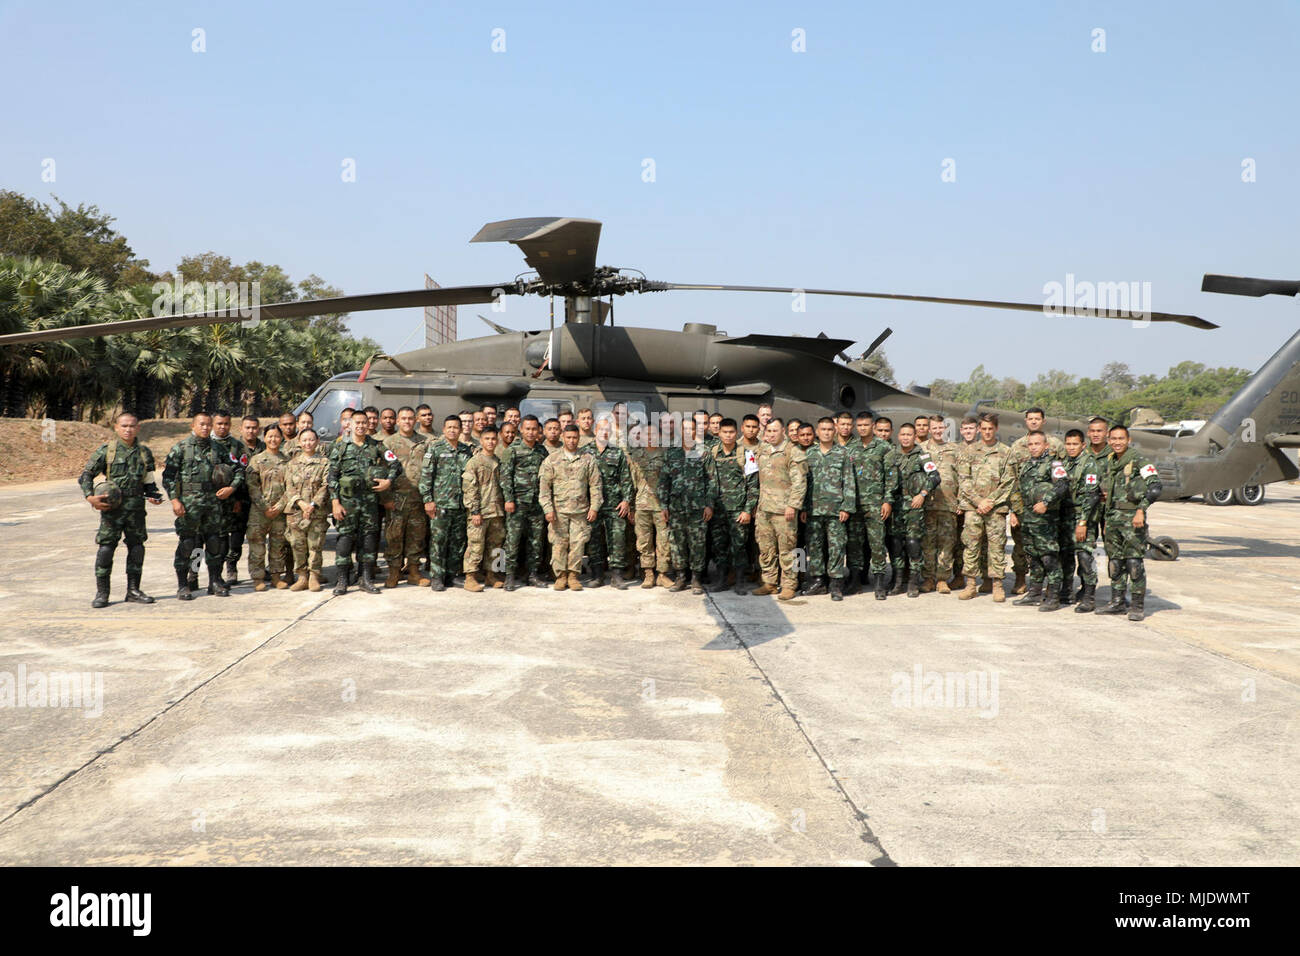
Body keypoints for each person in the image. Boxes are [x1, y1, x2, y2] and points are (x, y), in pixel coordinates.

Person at [79, 412, 163, 607]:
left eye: (132, 426)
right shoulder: (107, 451)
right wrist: (90, 497)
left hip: (136, 510)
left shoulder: (144, 452)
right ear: (116, 427)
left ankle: (133, 590)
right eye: (124, 426)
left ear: (138, 428)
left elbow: (149, 481)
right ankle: (102, 593)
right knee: (106, 548)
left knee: (137, 548)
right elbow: (85, 476)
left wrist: (154, 496)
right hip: (112, 510)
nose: (128, 429)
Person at [161, 412, 233, 600]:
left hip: (212, 503)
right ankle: (183, 584)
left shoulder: (219, 449)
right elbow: (168, 476)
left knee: (214, 543)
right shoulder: (181, 448)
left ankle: (215, 582)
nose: (205, 428)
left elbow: (237, 470)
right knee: (187, 544)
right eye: (201, 424)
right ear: (192, 426)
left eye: (208, 425)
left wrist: (231, 488)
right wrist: (175, 500)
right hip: (189, 504)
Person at [328, 412, 399, 595]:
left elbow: (395, 464)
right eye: (357, 422)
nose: (360, 426)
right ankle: (342, 580)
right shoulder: (340, 448)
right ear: (349, 425)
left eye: (364, 422)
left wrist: (388, 481)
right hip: (347, 503)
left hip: (369, 503)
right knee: (344, 539)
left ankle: (365, 579)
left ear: (369, 424)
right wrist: (335, 503)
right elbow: (332, 477)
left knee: (368, 540)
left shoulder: (377, 446)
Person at [1097, 425, 1162, 621]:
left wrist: (1141, 510)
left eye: (1121, 439)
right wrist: (1108, 518)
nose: (1117, 442)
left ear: (1129, 440)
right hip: (1114, 518)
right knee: (1115, 563)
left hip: (1133, 518)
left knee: (1134, 562)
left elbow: (1155, 486)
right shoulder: (1111, 461)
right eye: (1113, 439)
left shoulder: (1139, 460)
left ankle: (1137, 605)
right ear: (1109, 441)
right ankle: (1117, 602)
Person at [1008, 407, 1068, 594]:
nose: (1033, 447)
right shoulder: (1025, 461)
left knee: (1049, 555)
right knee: (1032, 554)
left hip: (1048, 516)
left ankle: (1053, 592)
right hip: (1027, 516)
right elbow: (1015, 484)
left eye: (1037, 418)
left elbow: (1063, 482)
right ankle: (1034, 591)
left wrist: (1047, 502)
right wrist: (1014, 511)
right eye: (1031, 444)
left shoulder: (1055, 456)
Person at [956, 414, 1015, 602]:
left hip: (995, 508)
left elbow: (1008, 481)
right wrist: (977, 501)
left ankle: (997, 585)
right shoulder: (969, 451)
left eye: (991, 429)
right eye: (984, 429)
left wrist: (990, 501)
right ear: (979, 429)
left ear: (996, 429)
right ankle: (971, 584)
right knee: (971, 546)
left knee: (996, 547)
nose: (987, 432)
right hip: (973, 508)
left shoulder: (1006, 452)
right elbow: (963, 480)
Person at [539, 424, 603, 591]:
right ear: (563, 437)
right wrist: (548, 509)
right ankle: (560, 576)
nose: (572, 441)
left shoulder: (588, 459)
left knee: (577, 544)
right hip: (558, 512)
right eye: (568, 437)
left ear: (578, 438)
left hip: (580, 511)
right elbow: (545, 488)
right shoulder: (552, 460)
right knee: (559, 544)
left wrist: (594, 507)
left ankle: (573, 575)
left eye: (575, 437)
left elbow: (595, 486)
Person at [659, 419, 719, 594]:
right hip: (676, 508)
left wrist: (709, 505)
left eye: (691, 429)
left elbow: (712, 481)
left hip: (697, 509)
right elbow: (664, 481)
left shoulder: (704, 452)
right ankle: (680, 578)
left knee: (698, 544)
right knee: (677, 544)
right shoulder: (671, 453)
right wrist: (664, 505)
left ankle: (696, 579)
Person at [801, 417, 855, 600]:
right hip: (813, 510)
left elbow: (848, 482)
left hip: (835, 510)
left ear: (835, 431)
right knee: (814, 546)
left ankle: (835, 583)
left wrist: (847, 506)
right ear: (817, 431)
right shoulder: (809, 454)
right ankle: (817, 581)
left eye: (829, 429)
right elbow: (804, 484)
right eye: (823, 429)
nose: (826, 432)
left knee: (836, 547)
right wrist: (803, 508)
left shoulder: (843, 453)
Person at [753, 418, 807, 601]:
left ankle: (789, 585)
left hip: (785, 510)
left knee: (788, 549)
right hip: (764, 509)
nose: (771, 434)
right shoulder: (762, 450)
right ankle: (769, 582)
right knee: (766, 548)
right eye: (768, 431)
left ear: (783, 431)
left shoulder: (793, 452)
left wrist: (793, 505)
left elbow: (800, 482)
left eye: (775, 431)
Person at [419, 416, 472, 591]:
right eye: (449, 427)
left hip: (460, 504)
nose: (452, 430)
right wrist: (428, 500)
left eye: (456, 427)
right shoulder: (433, 449)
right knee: (438, 542)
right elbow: (426, 475)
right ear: (443, 429)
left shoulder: (466, 450)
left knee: (457, 542)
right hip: (440, 503)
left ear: (460, 430)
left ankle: (451, 575)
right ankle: (437, 576)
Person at [709, 417, 758, 594]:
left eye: (731, 432)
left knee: (739, 547)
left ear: (736, 433)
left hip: (738, 511)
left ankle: (739, 582)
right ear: (719, 433)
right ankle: (722, 580)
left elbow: (753, 485)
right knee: (719, 546)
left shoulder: (747, 454)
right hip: (717, 510)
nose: (728, 435)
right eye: (725, 432)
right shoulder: (712, 453)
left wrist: (747, 510)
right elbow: (707, 481)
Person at [891, 422, 941, 597]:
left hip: (914, 506)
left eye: (909, 435)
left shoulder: (922, 456)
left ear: (914, 437)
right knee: (896, 545)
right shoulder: (892, 454)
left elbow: (935, 477)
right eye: (903, 434)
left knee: (913, 544)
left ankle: (913, 582)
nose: (905, 438)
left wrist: (923, 493)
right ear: (898, 436)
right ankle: (898, 582)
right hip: (896, 507)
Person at [382, 407, 430, 587]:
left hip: (417, 499)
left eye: (410, 418)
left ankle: (414, 571)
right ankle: (393, 572)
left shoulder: (424, 443)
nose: (407, 422)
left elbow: (429, 470)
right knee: (394, 537)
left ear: (416, 420)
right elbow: (383, 472)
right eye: (403, 418)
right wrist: (385, 498)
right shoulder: (389, 443)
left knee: (416, 536)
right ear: (397, 421)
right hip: (396, 500)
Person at [500, 415, 550, 590]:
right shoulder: (512, 450)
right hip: (518, 503)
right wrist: (509, 499)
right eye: (527, 429)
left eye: (534, 429)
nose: (530, 432)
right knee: (512, 541)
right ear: (521, 430)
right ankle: (509, 576)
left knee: (536, 541)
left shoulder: (542, 451)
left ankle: (533, 574)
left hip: (537, 504)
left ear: (538, 431)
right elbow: (505, 477)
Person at [585, 418, 634, 588]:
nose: (604, 432)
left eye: (607, 429)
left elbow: (626, 479)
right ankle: (597, 575)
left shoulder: (617, 452)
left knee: (617, 539)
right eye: (601, 429)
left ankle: (617, 575)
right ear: (595, 430)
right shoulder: (584, 452)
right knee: (594, 539)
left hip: (614, 504)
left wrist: (627, 500)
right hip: (593, 506)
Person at [854, 417, 897, 600]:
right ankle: (855, 580)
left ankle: (879, 582)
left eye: (866, 425)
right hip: (854, 504)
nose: (863, 428)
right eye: (860, 425)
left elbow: (891, 475)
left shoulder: (884, 447)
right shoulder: (851, 447)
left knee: (877, 543)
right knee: (855, 544)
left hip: (876, 503)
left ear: (872, 426)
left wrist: (887, 500)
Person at [283, 428, 330, 591]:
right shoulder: (292, 464)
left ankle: (314, 577)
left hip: (317, 512)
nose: (308, 443)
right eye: (304, 440)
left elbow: (326, 485)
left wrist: (312, 505)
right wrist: (301, 503)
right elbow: (288, 486)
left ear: (317, 442)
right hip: (296, 511)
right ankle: (302, 576)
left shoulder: (325, 463)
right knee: (297, 544)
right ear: (299, 443)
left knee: (315, 545)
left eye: (311, 440)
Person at [1062, 429, 1104, 612]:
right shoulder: (1064, 464)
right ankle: (1066, 590)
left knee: (1085, 556)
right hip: (1066, 517)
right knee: (1066, 556)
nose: (1071, 448)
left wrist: (1083, 522)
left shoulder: (1090, 465)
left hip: (1082, 517)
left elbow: (1091, 495)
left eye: (1075, 444)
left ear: (1083, 445)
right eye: (1068, 444)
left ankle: (1089, 596)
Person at [245, 424, 291, 591]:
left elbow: (291, 487)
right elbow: (252, 486)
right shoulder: (256, 460)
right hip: (259, 511)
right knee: (257, 544)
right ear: (264, 438)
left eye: (277, 436)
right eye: (270, 436)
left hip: (280, 511)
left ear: (281, 438)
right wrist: (265, 507)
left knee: (278, 545)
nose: (273, 439)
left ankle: (276, 576)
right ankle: (257, 578)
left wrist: (279, 506)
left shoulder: (287, 460)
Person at [628, 419, 673, 588]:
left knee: (664, 541)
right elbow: (630, 482)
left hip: (661, 507)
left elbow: (670, 482)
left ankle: (662, 574)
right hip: (641, 505)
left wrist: (668, 505)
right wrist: (631, 506)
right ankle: (648, 573)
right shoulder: (635, 456)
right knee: (644, 541)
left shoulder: (665, 454)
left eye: (653, 434)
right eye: (646, 434)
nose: (649, 437)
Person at [461, 427, 507, 591]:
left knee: (496, 545)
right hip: (480, 512)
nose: (491, 442)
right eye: (487, 439)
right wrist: (474, 511)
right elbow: (470, 489)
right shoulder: (474, 462)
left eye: (493, 439)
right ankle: (470, 577)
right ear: (481, 441)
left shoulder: (498, 461)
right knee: (475, 545)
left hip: (497, 511)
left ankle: (492, 575)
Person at [921, 413, 961, 593]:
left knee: (947, 543)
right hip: (927, 504)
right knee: (928, 543)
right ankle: (928, 578)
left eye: (940, 428)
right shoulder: (920, 449)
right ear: (929, 429)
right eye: (934, 428)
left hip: (949, 504)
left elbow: (962, 476)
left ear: (945, 428)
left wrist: (960, 500)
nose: (937, 431)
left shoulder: (955, 449)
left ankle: (942, 579)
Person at [211, 411, 250, 585]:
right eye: (219, 423)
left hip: (232, 499)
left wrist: (233, 491)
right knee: (197, 541)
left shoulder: (237, 446)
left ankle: (230, 568)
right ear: (213, 423)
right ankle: (193, 573)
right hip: (206, 502)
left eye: (226, 423)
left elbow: (241, 471)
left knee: (234, 539)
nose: (222, 427)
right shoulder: (205, 444)